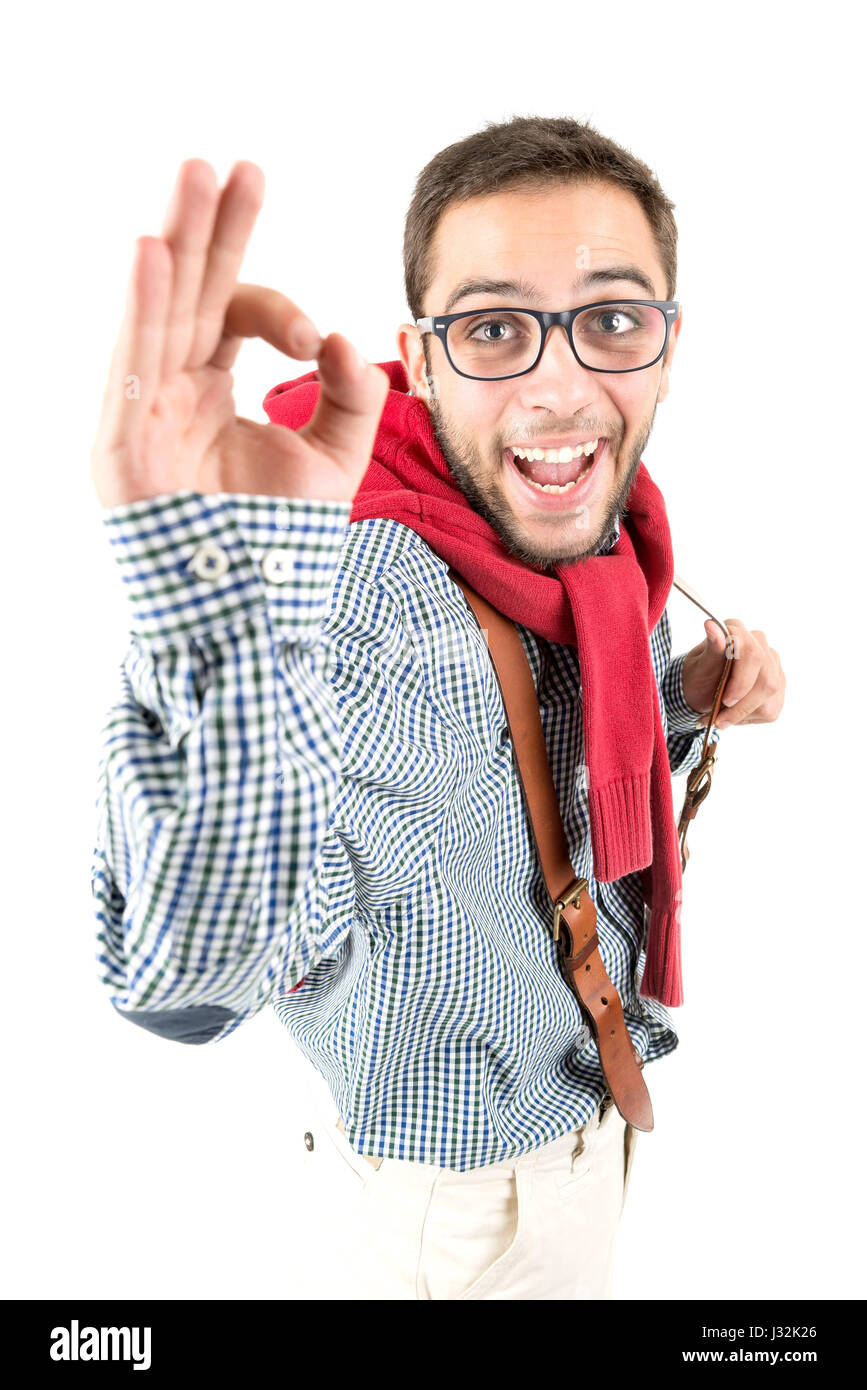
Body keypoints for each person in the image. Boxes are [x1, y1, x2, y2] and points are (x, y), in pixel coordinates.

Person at [90, 114, 785, 1300]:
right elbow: (200, 982)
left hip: (577, 1129)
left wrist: (676, 702)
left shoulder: (604, 541)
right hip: (463, 1222)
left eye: (612, 321)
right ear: (424, 352)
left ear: (667, 348)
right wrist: (207, 622)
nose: (561, 385)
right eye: (496, 328)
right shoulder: (369, 605)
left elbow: (519, 773)